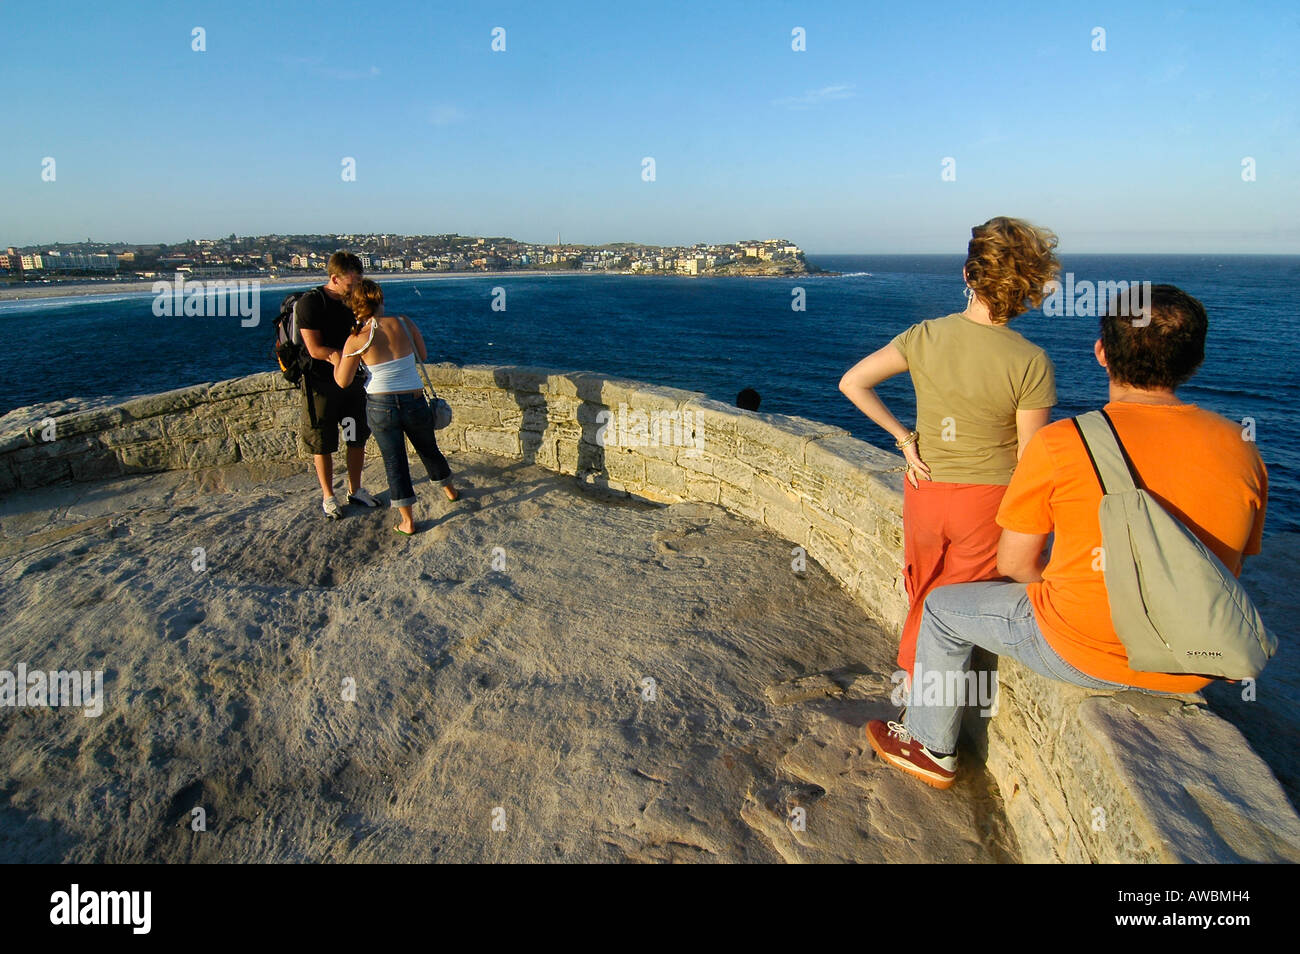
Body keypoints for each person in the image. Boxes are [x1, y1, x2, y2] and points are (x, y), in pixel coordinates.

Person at [865, 284, 1269, 789]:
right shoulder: (1242, 447)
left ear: (1101, 353)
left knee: (943, 609)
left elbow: (1015, 563)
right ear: (1197, 359)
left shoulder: (1063, 443)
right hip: (1193, 657)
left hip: (1084, 650)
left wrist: (1072, 584)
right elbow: (1228, 564)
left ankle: (930, 745)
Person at [839, 217, 1059, 678]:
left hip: (926, 489)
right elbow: (1031, 461)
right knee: (951, 607)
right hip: (988, 501)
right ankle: (924, 722)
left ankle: (917, 707)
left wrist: (904, 440)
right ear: (1027, 287)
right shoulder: (1030, 361)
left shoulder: (924, 336)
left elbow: (853, 383)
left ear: (968, 275)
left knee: (923, 590)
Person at [332, 279, 458, 535]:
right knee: (429, 449)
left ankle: (408, 522)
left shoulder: (357, 339)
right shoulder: (404, 322)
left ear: (354, 307)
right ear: (380, 301)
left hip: (381, 405)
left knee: (395, 462)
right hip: (413, 399)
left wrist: (336, 358)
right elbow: (422, 356)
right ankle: (451, 491)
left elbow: (343, 381)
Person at [296, 251, 379, 518]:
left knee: (356, 436)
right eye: (350, 283)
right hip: (321, 383)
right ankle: (328, 496)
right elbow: (314, 347)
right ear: (334, 278)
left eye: (358, 282)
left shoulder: (352, 301)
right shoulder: (310, 303)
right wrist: (339, 359)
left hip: (352, 382)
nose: (355, 289)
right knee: (323, 440)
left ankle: (355, 489)